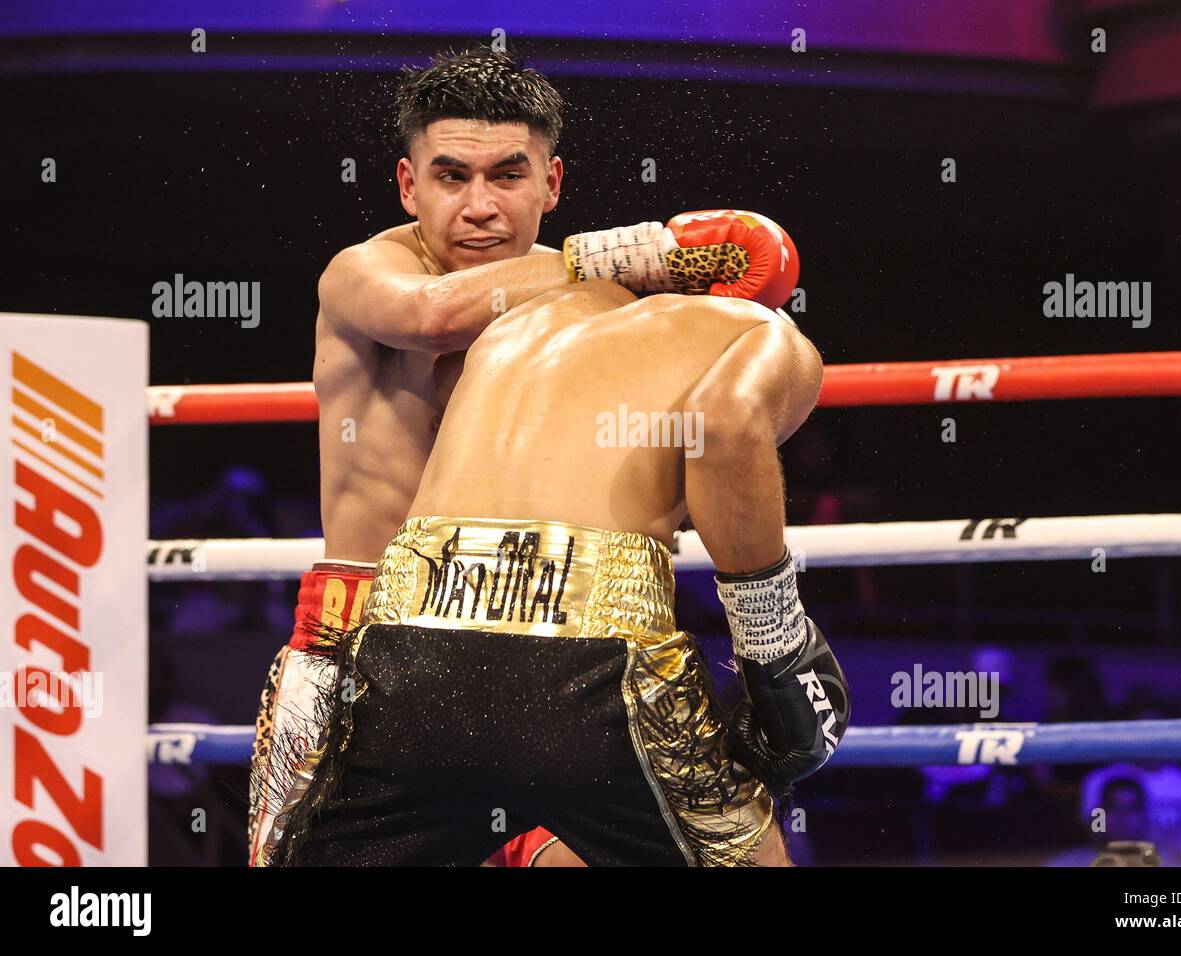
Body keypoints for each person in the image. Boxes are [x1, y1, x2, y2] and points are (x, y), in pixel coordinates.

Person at [248, 46, 804, 867]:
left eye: (508, 176)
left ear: (551, 184)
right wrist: (615, 257)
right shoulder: (367, 271)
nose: (480, 206)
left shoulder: (593, 308)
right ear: (409, 186)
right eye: (451, 177)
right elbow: (432, 316)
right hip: (363, 632)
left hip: (552, 628)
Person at [262, 254, 849, 866]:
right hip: (590, 651)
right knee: (747, 852)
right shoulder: (761, 331)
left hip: (407, 639)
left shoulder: (519, 323)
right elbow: (723, 428)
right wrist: (774, 641)